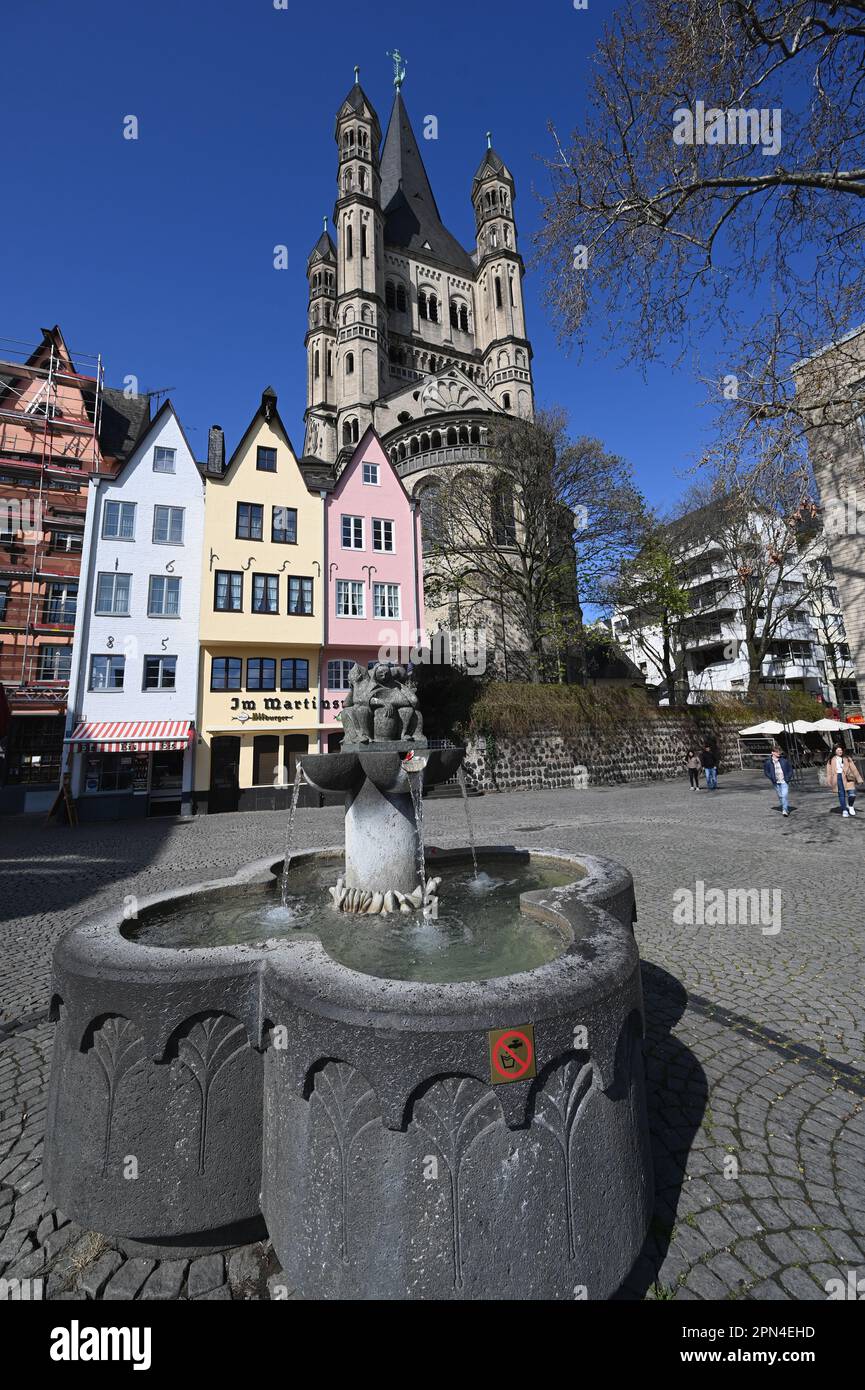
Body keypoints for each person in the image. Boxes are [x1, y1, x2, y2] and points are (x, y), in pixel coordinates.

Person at [825, 744, 863, 818]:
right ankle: (844, 810)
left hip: (848, 777)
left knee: (852, 794)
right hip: (837, 778)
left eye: (841, 750)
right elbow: (829, 772)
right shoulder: (831, 760)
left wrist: (859, 779)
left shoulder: (847, 758)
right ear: (835, 751)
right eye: (838, 750)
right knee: (841, 794)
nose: (840, 751)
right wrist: (829, 781)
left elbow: (854, 769)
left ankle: (850, 806)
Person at [763, 745, 793, 817]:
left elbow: (790, 770)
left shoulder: (784, 761)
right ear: (772, 752)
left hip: (784, 781)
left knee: (784, 795)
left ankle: (785, 810)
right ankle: (784, 807)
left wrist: (788, 778)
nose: (779, 753)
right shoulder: (768, 762)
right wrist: (771, 777)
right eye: (777, 752)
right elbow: (766, 771)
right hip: (776, 782)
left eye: (779, 752)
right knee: (780, 796)